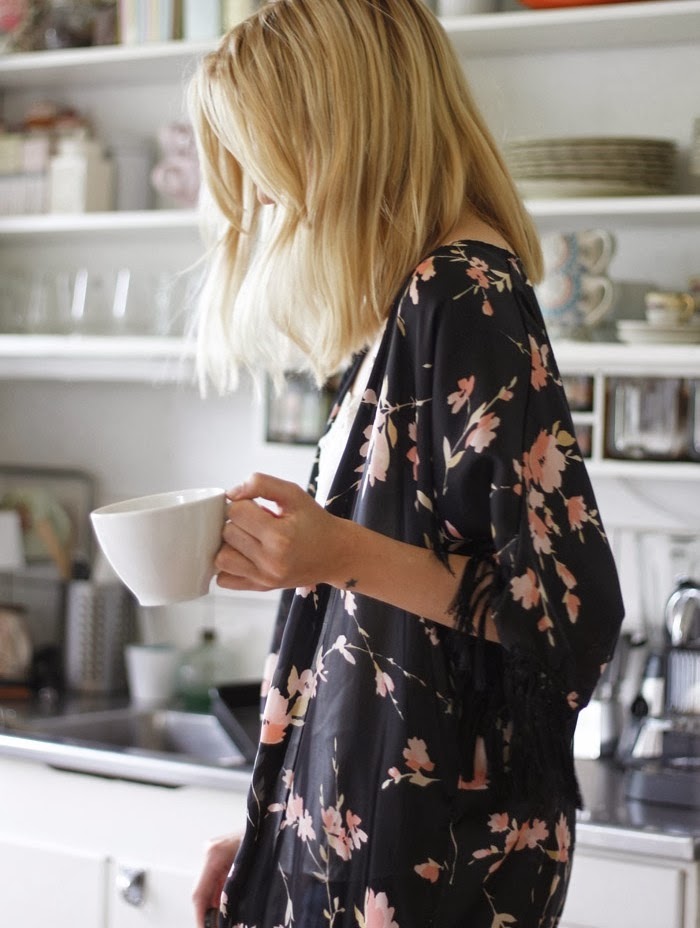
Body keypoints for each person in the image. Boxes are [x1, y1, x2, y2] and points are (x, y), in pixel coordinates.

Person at [188, 2, 625, 926]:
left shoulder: (463, 292)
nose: (267, 199)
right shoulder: (409, 303)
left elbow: (566, 619)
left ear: (341, 132)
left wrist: (334, 552)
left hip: (437, 866)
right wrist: (278, 834)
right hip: (369, 847)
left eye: (271, 164)